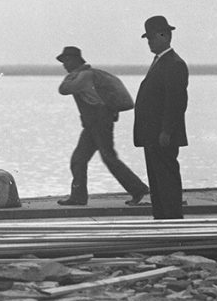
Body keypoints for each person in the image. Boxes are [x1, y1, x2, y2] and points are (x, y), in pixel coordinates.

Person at [54, 45, 149, 206]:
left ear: (77, 60)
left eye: (67, 60)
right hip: (93, 125)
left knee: (108, 158)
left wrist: (70, 77)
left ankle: (138, 190)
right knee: (79, 159)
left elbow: (64, 89)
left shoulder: (84, 76)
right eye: (63, 61)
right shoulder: (84, 75)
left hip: (99, 124)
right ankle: (78, 197)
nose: (64, 64)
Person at [131, 15, 191, 219]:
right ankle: (161, 219)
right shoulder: (161, 62)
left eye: (152, 37)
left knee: (167, 179)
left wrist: (166, 131)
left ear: (165, 36)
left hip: (162, 135)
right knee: (157, 180)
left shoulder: (174, 64)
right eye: (148, 38)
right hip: (153, 135)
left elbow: (176, 102)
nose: (149, 42)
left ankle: (172, 220)